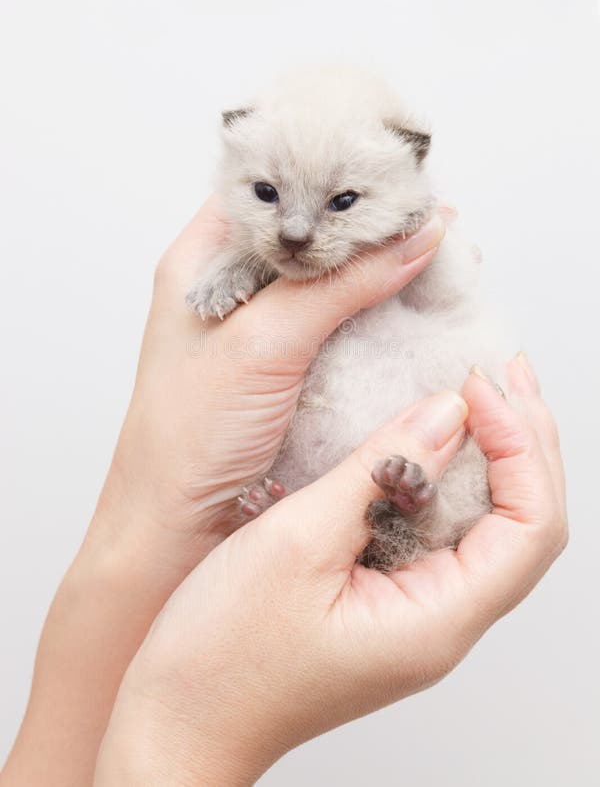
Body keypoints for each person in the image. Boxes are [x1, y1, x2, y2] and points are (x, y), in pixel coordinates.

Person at [1, 199, 567, 786]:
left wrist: (148, 524)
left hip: (414, 470)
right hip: (362, 470)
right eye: (269, 193)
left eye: (341, 200)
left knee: (411, 486)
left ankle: (384, 518)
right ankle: (347, 516)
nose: (296, 229)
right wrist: (191, 726)